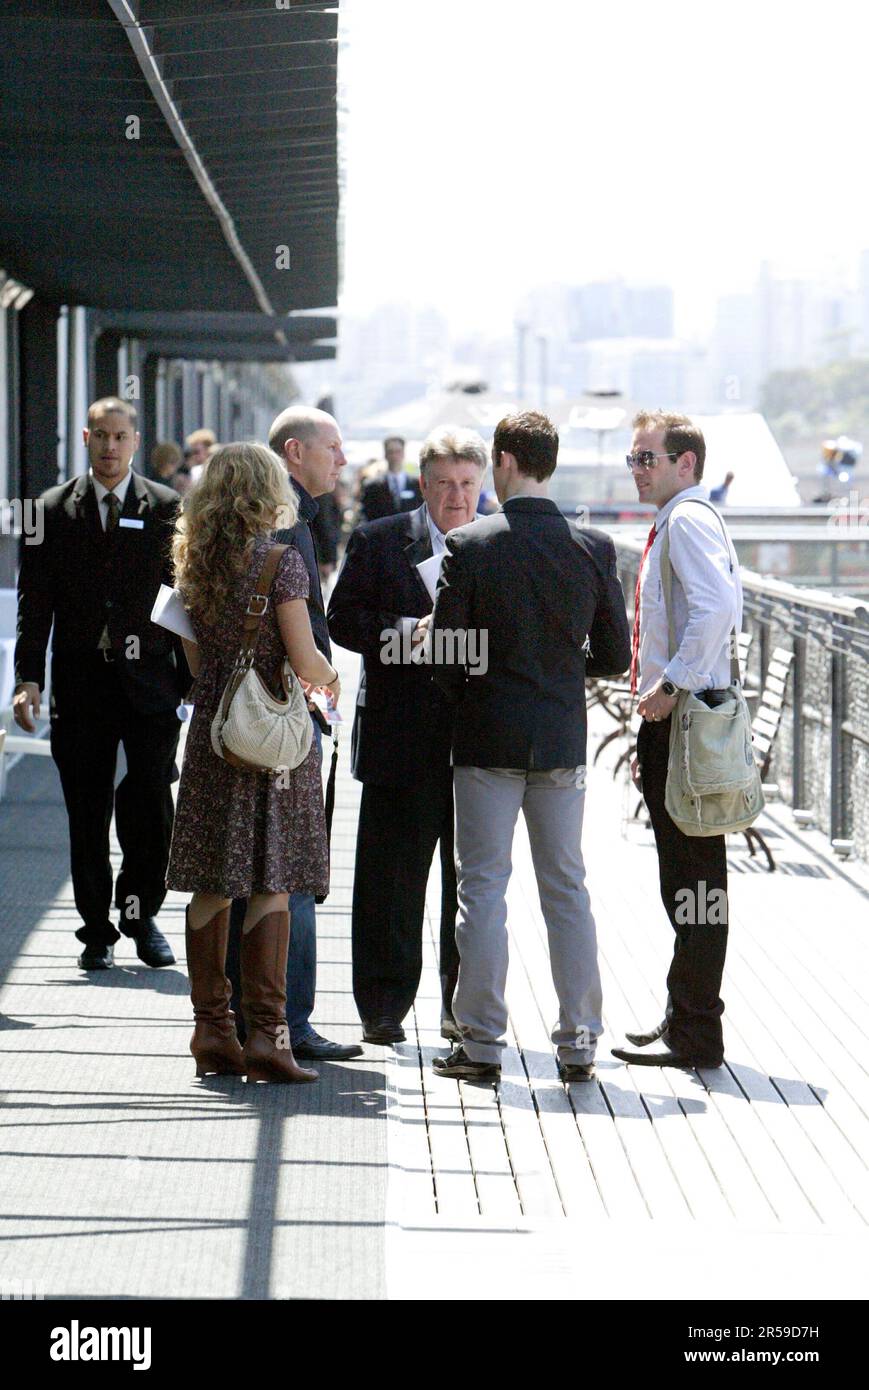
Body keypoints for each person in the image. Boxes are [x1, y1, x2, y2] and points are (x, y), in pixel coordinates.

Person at [429, 411, 631, 1083]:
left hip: (486, 738)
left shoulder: (470, 545)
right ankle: (577, 1042)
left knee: (482, 890)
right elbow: (612, 655)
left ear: (505, 462)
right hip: (561, 743)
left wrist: (478, 687)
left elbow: (444, 656)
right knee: (565, 889)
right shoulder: (592, 548)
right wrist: (557, 669)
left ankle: (482, 1043)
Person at [167, 442, 341, 1083]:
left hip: (213, 735)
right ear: (269, 491)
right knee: (271, 877)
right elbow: (304, 662)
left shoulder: (192, 564)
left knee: (212, 879)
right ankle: (267, 1036)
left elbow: (194, 665)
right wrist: (333, 680)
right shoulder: (282, 562)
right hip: (269, 742)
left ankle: (211, 1029)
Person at [13, 397, 185, 971]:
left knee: (151, 806)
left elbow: (181, 600)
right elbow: (34, 603)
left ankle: (139, 915)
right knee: (86, 811)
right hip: (82, 683)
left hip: (150, 686)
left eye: (121, 437)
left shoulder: (166, 507)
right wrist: (27, 678)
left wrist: (189, 678)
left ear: (136, 440)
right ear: (85, 438)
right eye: (101, 436)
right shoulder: (51, 509)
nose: (110, 447)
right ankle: (96, 930)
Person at [328, 426, 488, 1044]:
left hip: (475, 740)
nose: (456, 497)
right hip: (399, 736)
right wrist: (403, 631)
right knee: (388, 882)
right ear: (423, 483)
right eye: (445, 484)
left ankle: (458, 1007)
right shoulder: (379, 540)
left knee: (469, 884)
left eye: (468, 484)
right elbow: (340, 619)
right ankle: (382, 1009)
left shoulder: (496, 545)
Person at [225, 407, 362, 1064]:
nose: (341, 459)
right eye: (332, 448)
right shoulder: (289, 524)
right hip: (281, 720)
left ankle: (231, 1018)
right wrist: (326, 681)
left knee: (238, 870)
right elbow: (299, 634)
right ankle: (287, 1025)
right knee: (292, 870)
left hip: (238, 719)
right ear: (294, 451)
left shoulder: (248, 520)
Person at [612, 410, 742, 1070]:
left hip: (685, 722)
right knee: (689, 881)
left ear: (684, 464)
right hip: (681, 723)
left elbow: (717, 606)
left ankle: (695, 1030)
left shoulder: (687, 521)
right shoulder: (687, 518)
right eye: (632, 458)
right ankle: (685, 1016)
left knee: (695, 882)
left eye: (645, 459)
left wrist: (670, 684)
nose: (635, 470)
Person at [359, 436, 423, 522]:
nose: (394, 456)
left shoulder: (417, 484)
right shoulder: (372, 485)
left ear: (403, 453)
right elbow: (367, 513)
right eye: (390, 452)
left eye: (398, 451)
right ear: (385, 455)